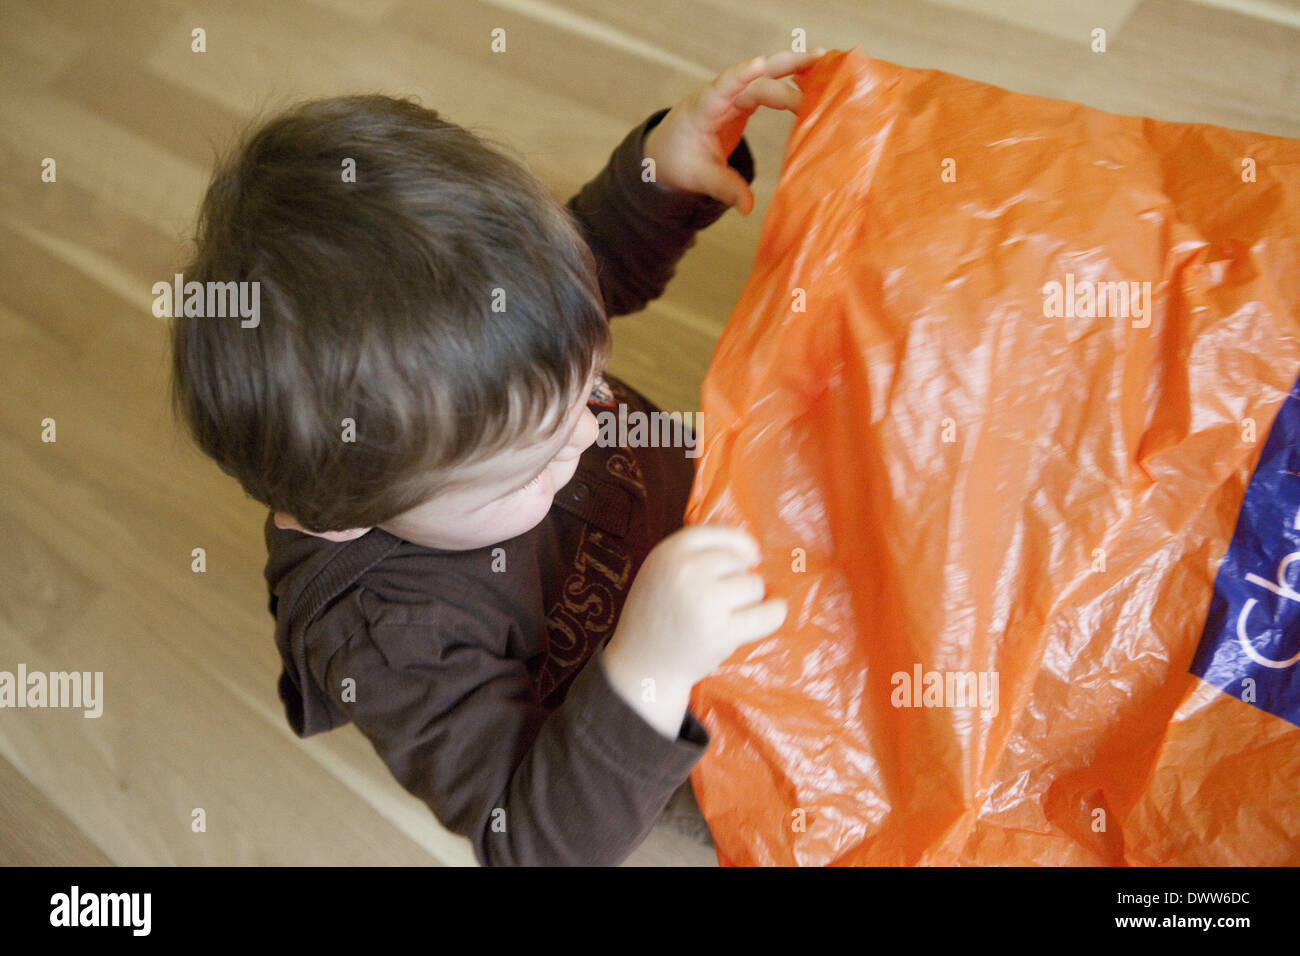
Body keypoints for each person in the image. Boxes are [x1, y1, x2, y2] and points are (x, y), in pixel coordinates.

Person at [170, 50, 824, 865]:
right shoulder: (393, 640)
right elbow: (533, 841)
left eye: (589, 387)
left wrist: (661, 173)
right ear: (348, 518)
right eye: (530, 465)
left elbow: (593, 264)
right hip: (665, 723)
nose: (592, 433)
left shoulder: (492, 357)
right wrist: (648, 674)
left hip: (726, 537)